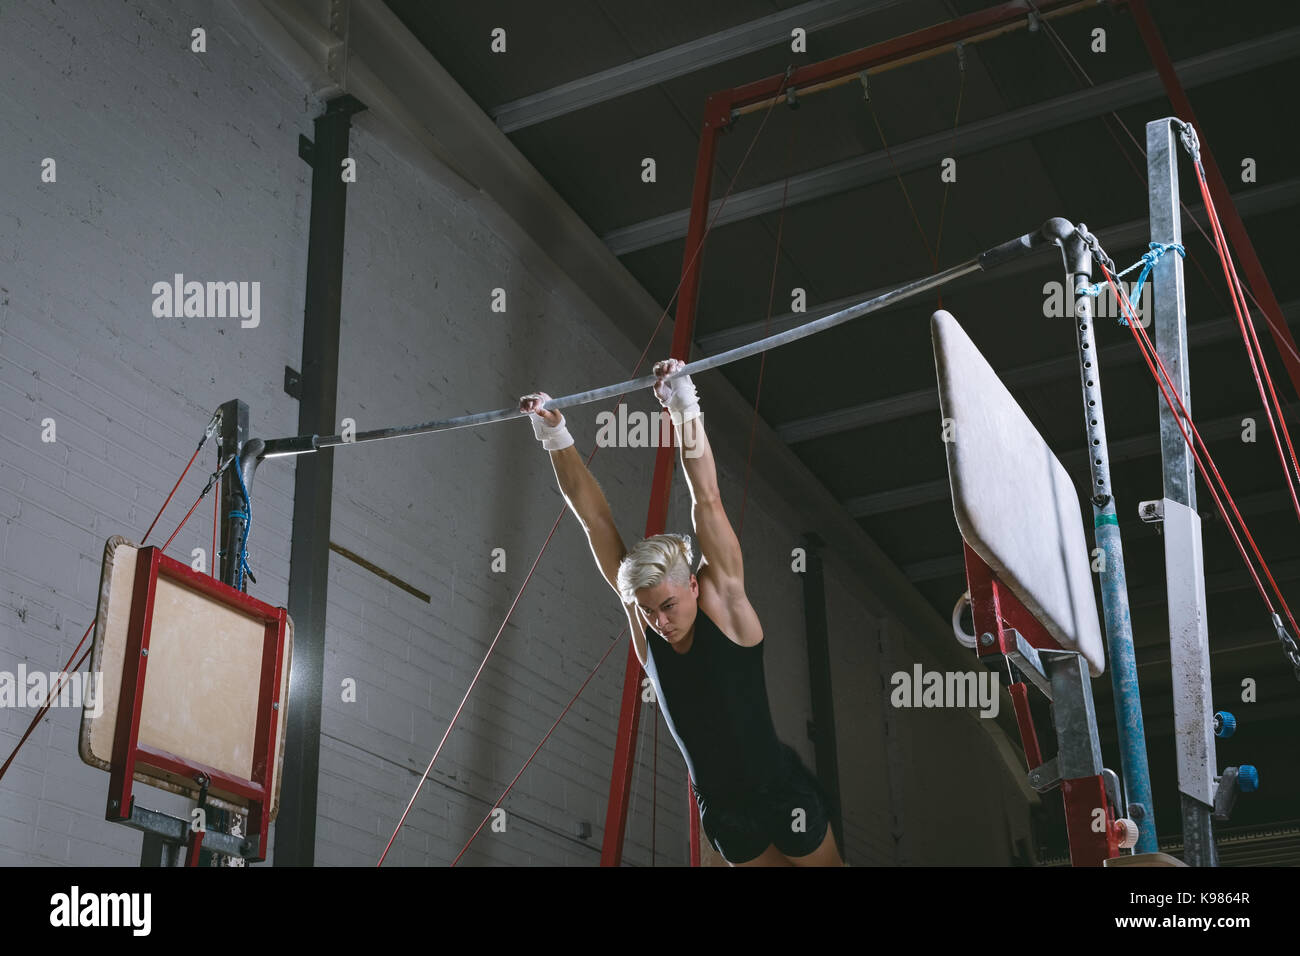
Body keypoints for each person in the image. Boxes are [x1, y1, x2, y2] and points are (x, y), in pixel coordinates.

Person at [519, 358, 842, 866]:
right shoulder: (646, 625)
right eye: (649, 613)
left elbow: (706, 498)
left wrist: (682, 403)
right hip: (726, 812)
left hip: (782, 790)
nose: (660, 622)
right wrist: (553, 433)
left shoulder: (723, 600)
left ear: (693, 583)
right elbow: (593, 519)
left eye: (668, 606)